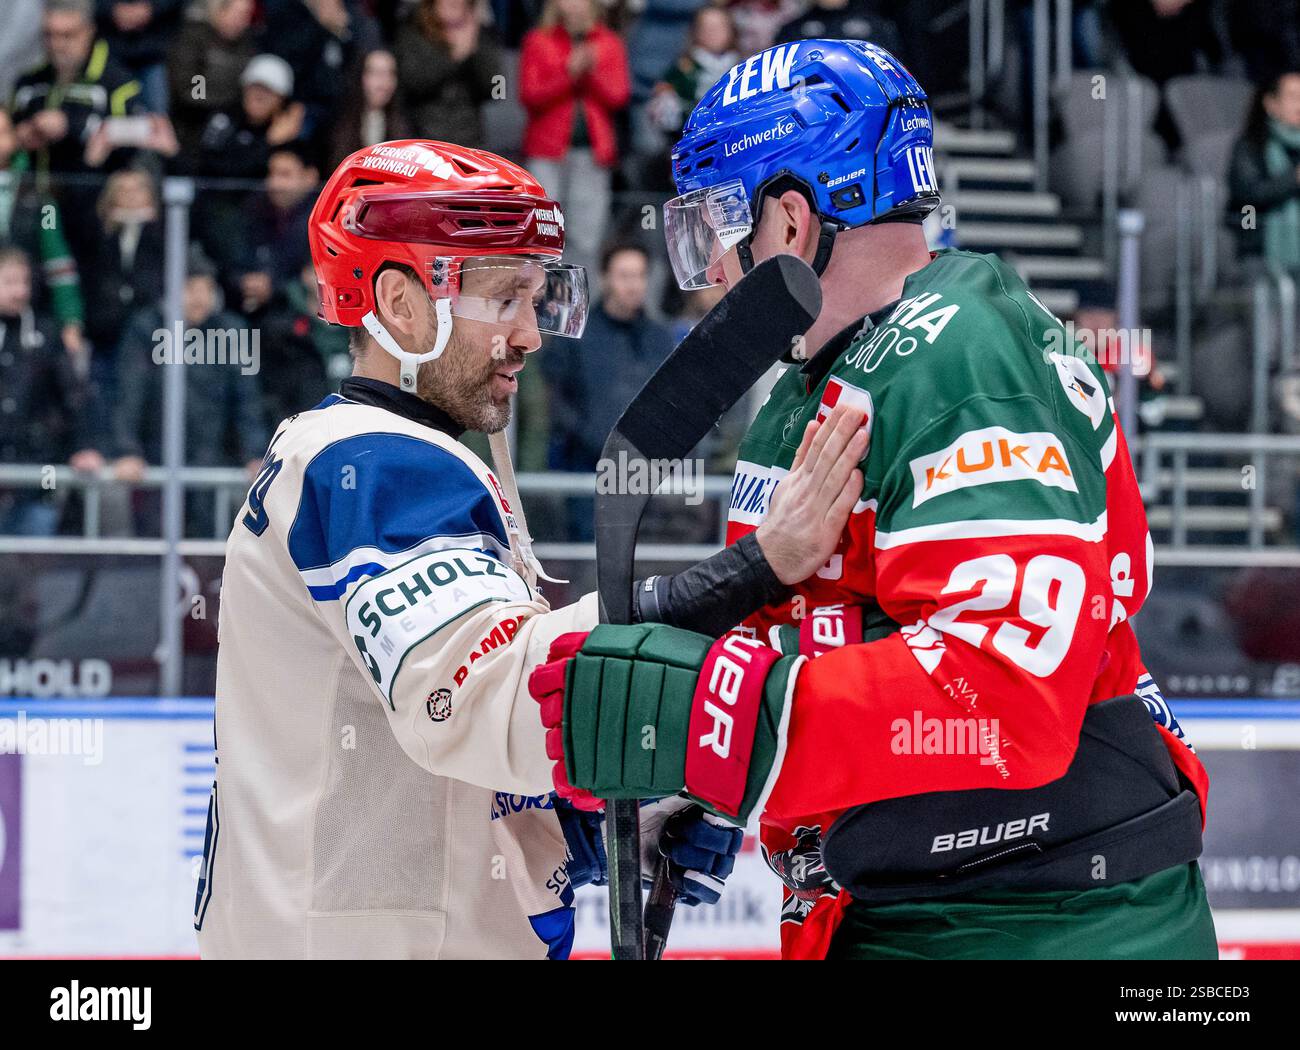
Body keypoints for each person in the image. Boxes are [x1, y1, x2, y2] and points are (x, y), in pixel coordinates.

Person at [529, 40, 1218, 961]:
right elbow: (819, 636)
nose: (709, 275)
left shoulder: (961, 352)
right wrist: (723, 793)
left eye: (709, 231)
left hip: (1043, 919)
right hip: (892, 901)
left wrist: (729, 730)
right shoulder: (804, 389)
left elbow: (1005, 693)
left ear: (788, 221)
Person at [195, 140, 750, 959]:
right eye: (503, 297)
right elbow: (477, 696)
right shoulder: (374, 465)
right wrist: (723, 595)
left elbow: (452, 765)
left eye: (539, 296)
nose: (530, 333)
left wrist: (614, 814)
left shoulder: (397, 452)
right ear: (401, 304)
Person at [519, 0, 630, 277]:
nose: (575, 6)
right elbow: (530, 96)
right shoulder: (538, 41)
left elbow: (618, 96)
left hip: (592, 153)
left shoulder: (609, 43)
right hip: (546, 151)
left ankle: (583, 303)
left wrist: (590, 72)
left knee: (587, 235)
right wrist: (568, 73)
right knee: (543, 233)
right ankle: (540, 304)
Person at [0, 247, 103, 536]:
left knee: (30, 566)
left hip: (36, 477)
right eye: (9, 282)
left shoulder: (47, 334)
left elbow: (74, 396)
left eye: (24, 282)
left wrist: (83, 446)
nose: (20, 291)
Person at [0, 110, 86, 356]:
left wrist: (70, 320)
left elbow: (57, 261)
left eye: (3, 132)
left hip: (29, 313)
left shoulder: (40, 201)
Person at [394, 0, 502, 147]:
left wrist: (476, 53)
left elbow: (498, 91)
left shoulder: (481, 36)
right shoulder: (413, 32)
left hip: (469, 140)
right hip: (423, 139)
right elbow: (412, 82)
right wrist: (455, 57)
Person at [167, 0, 262, 159]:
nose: (242, 20)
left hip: (233, 119)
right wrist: (226, 101)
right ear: (220, 11)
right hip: (192, 120)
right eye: (238, 14)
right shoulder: (195, 39)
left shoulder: (249, 46)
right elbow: (193, 89)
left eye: (247, 15)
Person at [1229, 70, 1300, 276]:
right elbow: (1247, 200)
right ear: (1271, 103)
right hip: (1261, 250)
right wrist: (1294, 178)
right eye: (1294, 97)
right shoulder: (1252, 145)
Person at [327, 49, 412, 170]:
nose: (384, 82)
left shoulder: (405, 124)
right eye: (376, 73)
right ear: (360, 77)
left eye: (390, 73)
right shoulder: (336, 120)